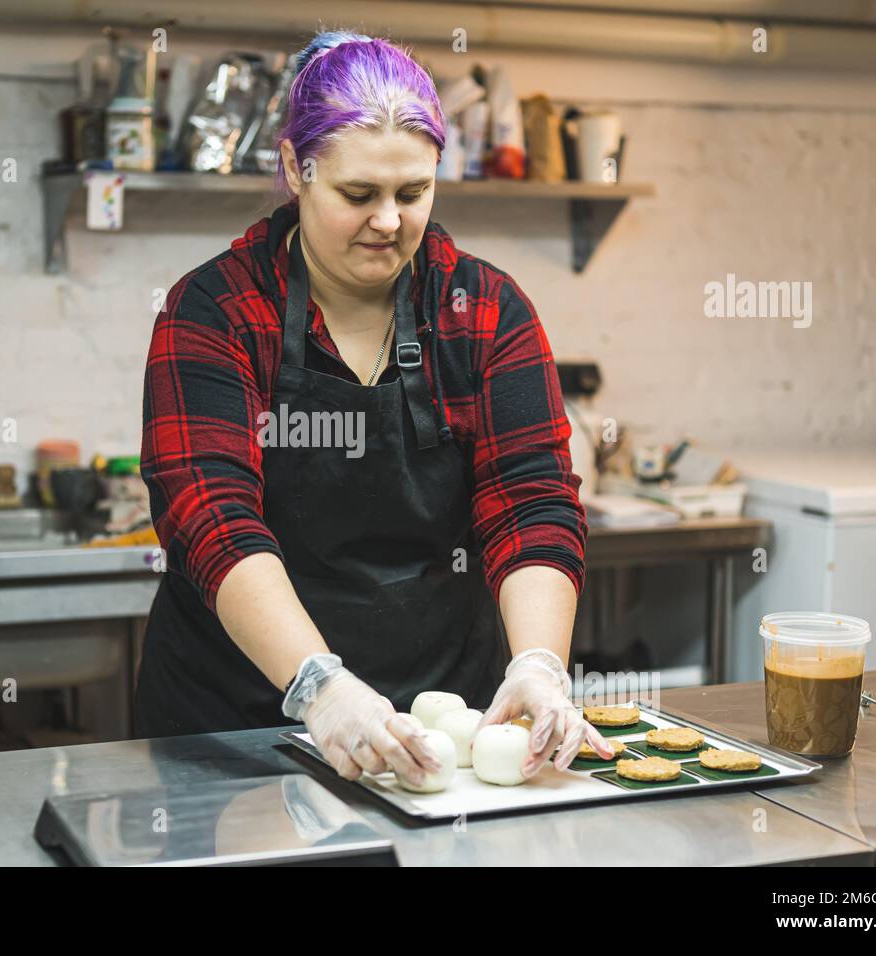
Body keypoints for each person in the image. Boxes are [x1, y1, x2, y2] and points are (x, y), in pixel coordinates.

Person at [137, 32, 609, 787]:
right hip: (236, 729)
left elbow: (532, 502)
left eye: (412, 193)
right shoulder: (216, 311)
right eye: (358, 195)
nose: (389, 221)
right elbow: (209, 515)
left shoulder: (485, 310)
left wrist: (540, 663)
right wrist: (318, 688)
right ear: (297, 169)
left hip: (442, 727)